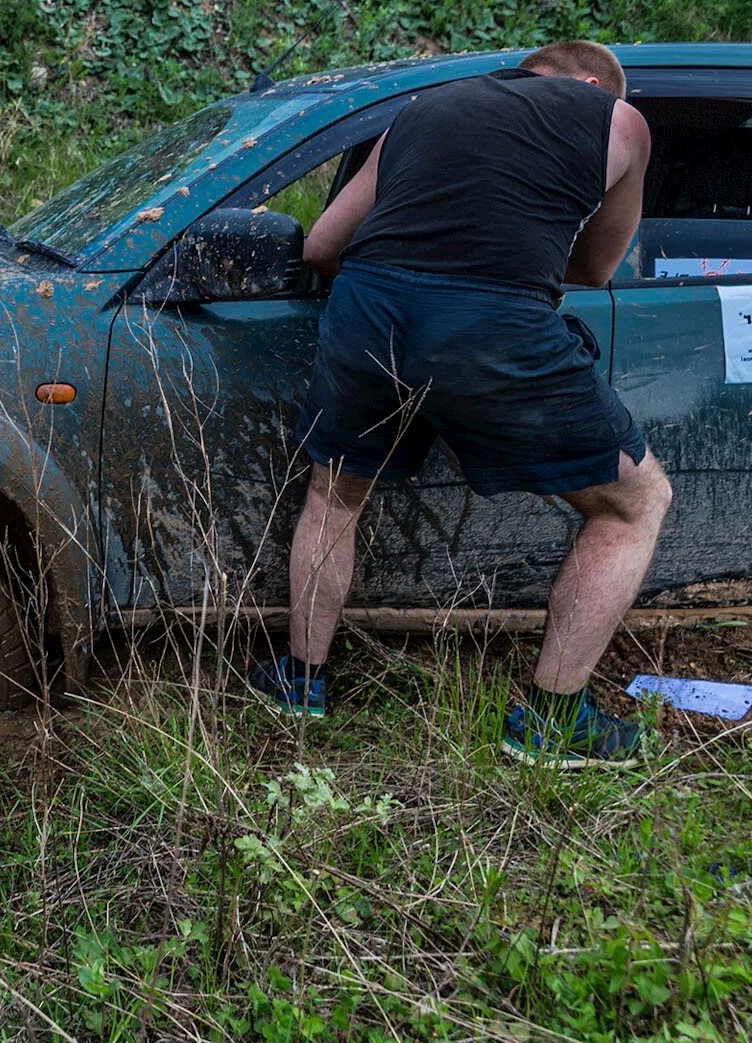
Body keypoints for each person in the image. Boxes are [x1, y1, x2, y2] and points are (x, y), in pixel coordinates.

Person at [254, 39, 669, 768]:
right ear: (593, 82)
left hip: (368, 308)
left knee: (336, 493)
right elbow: (597, 269)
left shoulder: (417, 110)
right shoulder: (616, 119)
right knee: (633, 503)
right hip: (492, 320)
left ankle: (299, 685)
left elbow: (321, 247)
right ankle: (550, 726)